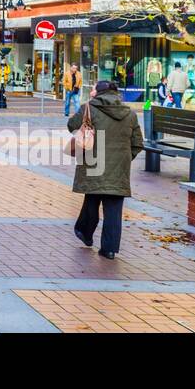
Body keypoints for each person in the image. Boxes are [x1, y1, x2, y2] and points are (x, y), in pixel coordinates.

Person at [68, 80, 144, 259]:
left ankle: (85, 232)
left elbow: (72, 125)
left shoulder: (89, 108)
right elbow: (137, 143)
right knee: (114, 210)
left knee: (93, 198)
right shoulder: (130, 114)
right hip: (118, 169)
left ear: (98, 92)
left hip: (94, 163)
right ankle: (109, 250)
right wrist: (124, 159)